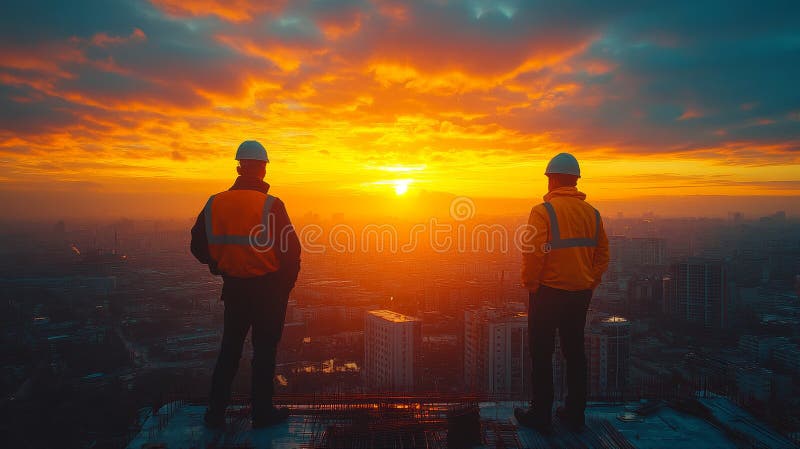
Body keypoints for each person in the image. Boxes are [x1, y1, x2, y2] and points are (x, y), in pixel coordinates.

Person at [190, 140, 301, 429]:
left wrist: (220, 265)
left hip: (235, 289)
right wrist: (281, 290)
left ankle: (215, 414)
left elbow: (198, 246)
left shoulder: (216, 202)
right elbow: (292, 253)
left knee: (230, 351)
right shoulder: (272, 205)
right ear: (263, 169)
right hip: (268, 294)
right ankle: (262, 413)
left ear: (239, 166)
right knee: (264, 354)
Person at [515, 152, 609, 433]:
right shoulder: (592, 214)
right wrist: (589, 281)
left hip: (548, 293)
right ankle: (574, 412)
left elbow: (533, 251)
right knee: (574, 352)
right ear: (575, 181)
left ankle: (541, 413)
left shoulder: (542, 212)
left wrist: (531, 284)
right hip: (579, 293)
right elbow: (602, 254)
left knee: (541, 352)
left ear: (552, 180)